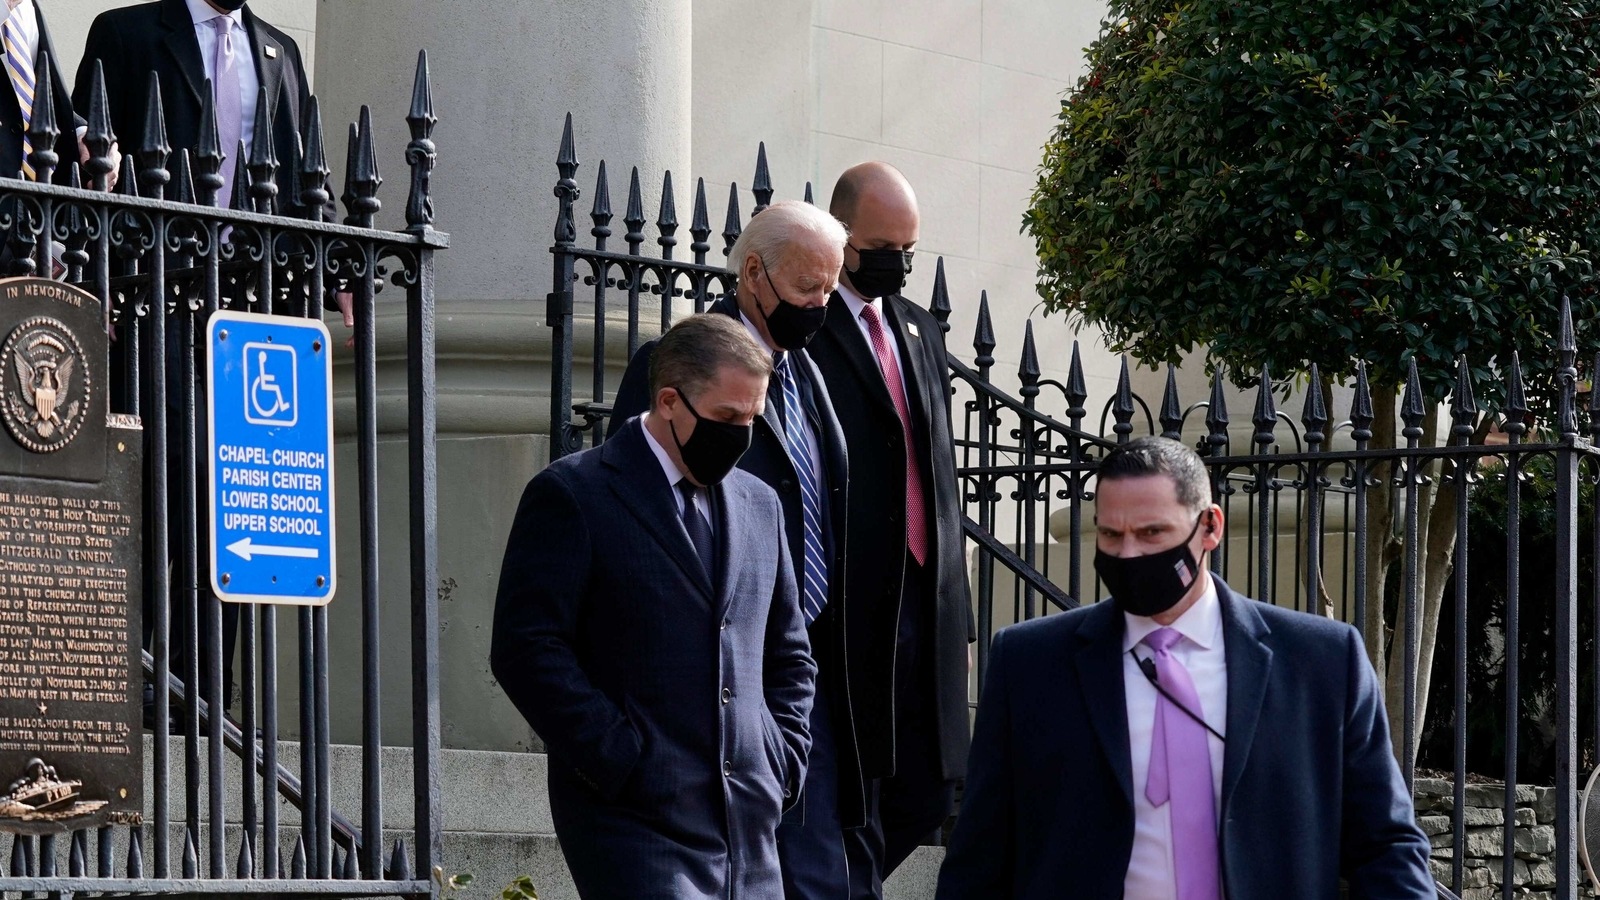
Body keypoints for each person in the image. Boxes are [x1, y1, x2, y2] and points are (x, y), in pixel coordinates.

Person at [935, 436, 1435, 899]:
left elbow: (1385, 845)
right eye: (1112, 535)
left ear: (1210, 527)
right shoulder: (1029, 664)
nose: (1129, 554)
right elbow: (980, 859)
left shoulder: (1322, 661)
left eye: (1153, 533)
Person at [492, 313, 816, 898]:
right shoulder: (574, 493)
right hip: (633, 825)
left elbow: (789, 651)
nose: (742, 435)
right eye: (726, 418)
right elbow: (526, 649)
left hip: (749, 828)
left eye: (753, 418)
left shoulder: (760, 503)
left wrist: (781, 756)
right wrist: (620, 756)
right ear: (669, 400)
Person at [608, 200, 861, 898]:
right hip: (700, 694)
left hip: (792, 679)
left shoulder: (805, 370)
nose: (820, 305)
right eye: (808, 288)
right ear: (754, 272)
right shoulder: (679, 363)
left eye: (829, 288)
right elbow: (635, 518)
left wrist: (789, 738)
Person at [805, 161, 973, 893]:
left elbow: (938, 469)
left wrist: (955, 602)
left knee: (932, 789)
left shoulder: (918, 327)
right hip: (850, 599)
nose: (898, 263)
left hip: (926, 600)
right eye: (882, 247)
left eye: (909, 248)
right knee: (859, 788)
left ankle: (861, 878)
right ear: (842, 238)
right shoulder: (807, 324)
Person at [73, 0, 319, 216]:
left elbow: (311, 171)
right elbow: (85, 151)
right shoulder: (124, 32)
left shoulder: (284, 52)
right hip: (152, 252)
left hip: (260, 258)